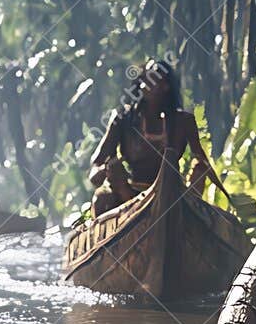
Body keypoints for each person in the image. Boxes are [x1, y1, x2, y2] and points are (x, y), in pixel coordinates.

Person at [89, 59, 225, 215]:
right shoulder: (123, 119)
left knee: (200, 172)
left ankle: (187, 215)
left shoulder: (183, 122)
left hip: (172, 196)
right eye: (147, 77)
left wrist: (197, 180)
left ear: (166, 86)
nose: (150, 82)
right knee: (102, 200)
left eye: (156, 78)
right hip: (128, 195)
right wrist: (107, 172)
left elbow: (202, 161)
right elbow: (95, 167)